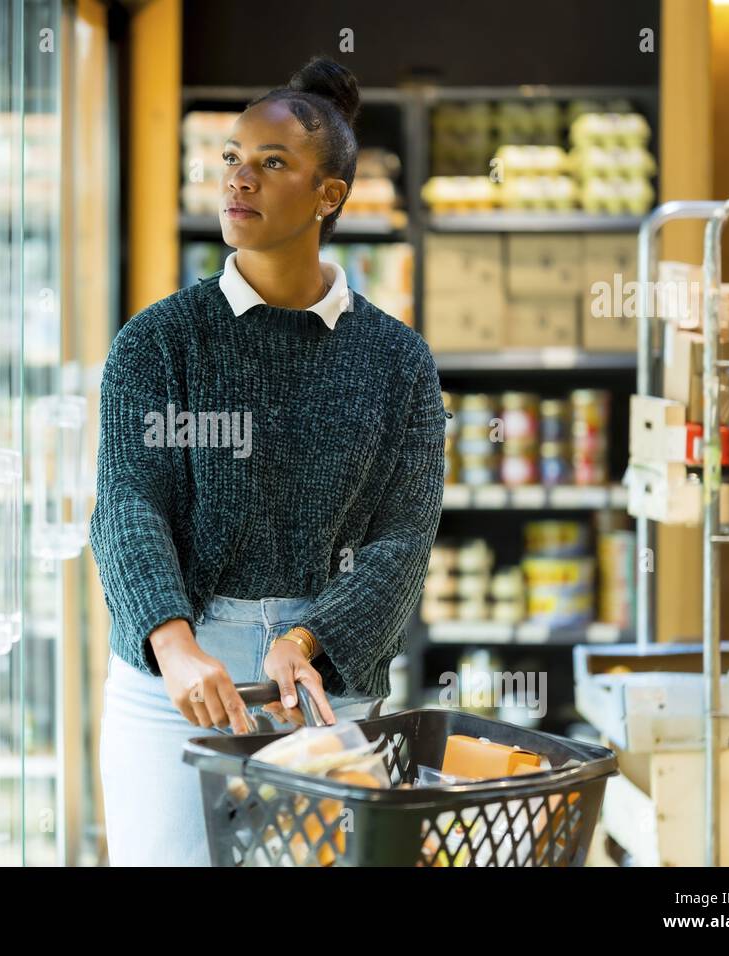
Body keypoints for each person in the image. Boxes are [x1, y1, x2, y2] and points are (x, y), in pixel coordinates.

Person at [91, 55, 446, 866]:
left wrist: (309, 634)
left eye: (271, 163)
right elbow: (127, 502)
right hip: (174, 678)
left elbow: (403, 541)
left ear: (330, 195)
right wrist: (174, 644)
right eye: (232, 161)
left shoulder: (397, 361)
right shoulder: (160, 340)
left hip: (322, 681)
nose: (239, 182)